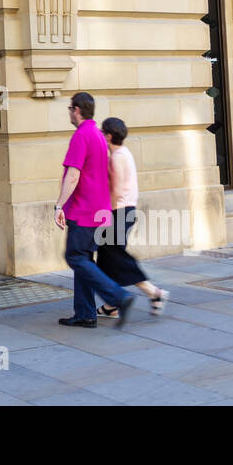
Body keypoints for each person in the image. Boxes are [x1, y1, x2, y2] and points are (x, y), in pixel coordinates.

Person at [54, 92, 134, 329]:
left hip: (84, 211)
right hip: (100, 211)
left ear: (77, 110)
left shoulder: (81, 136)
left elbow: (73, 174)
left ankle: (118, 296)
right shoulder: (99, 135)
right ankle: (85, 313)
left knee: (75, 257)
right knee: (84, 259)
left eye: (70, 108)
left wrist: (59, 205)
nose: (69, 112)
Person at [95, 117, 169, 318]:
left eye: (102, 132)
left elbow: (117, 191)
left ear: (109, 136)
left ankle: (154, 293)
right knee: (107, 259)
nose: (100, 135)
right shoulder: (123, 152)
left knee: (117, 258)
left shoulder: (117, 156)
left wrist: (103, 215)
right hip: (125, 211)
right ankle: (111, 305)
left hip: (118, 212)